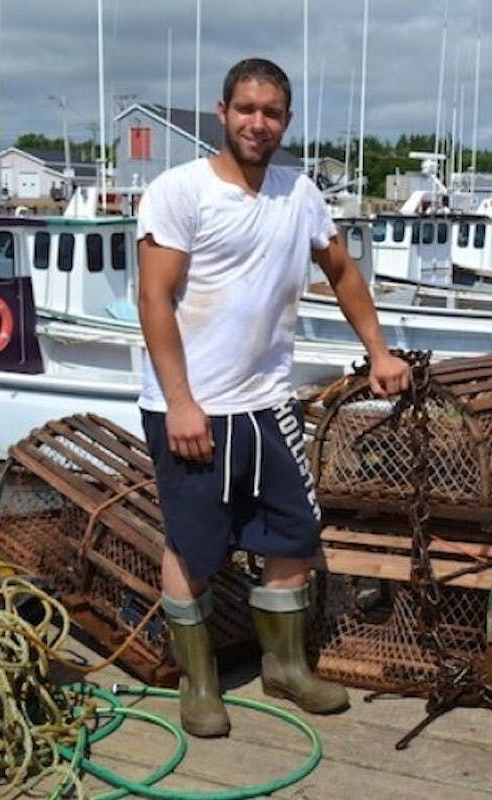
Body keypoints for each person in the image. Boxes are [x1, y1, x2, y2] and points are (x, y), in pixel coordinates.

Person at [137, 57, 410, 738]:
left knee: (291, 534)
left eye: (272, 112)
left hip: (268, 403)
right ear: (222, 112)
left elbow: (342, 271)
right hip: (194, 406)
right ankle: (199, 685)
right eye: (246, 109)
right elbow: (154, 298)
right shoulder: (181, 191)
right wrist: (180, 402)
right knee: (193, 549)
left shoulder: (300, 193)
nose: (258, 123)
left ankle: (284, 668)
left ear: (286, 121)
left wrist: (379, 349)